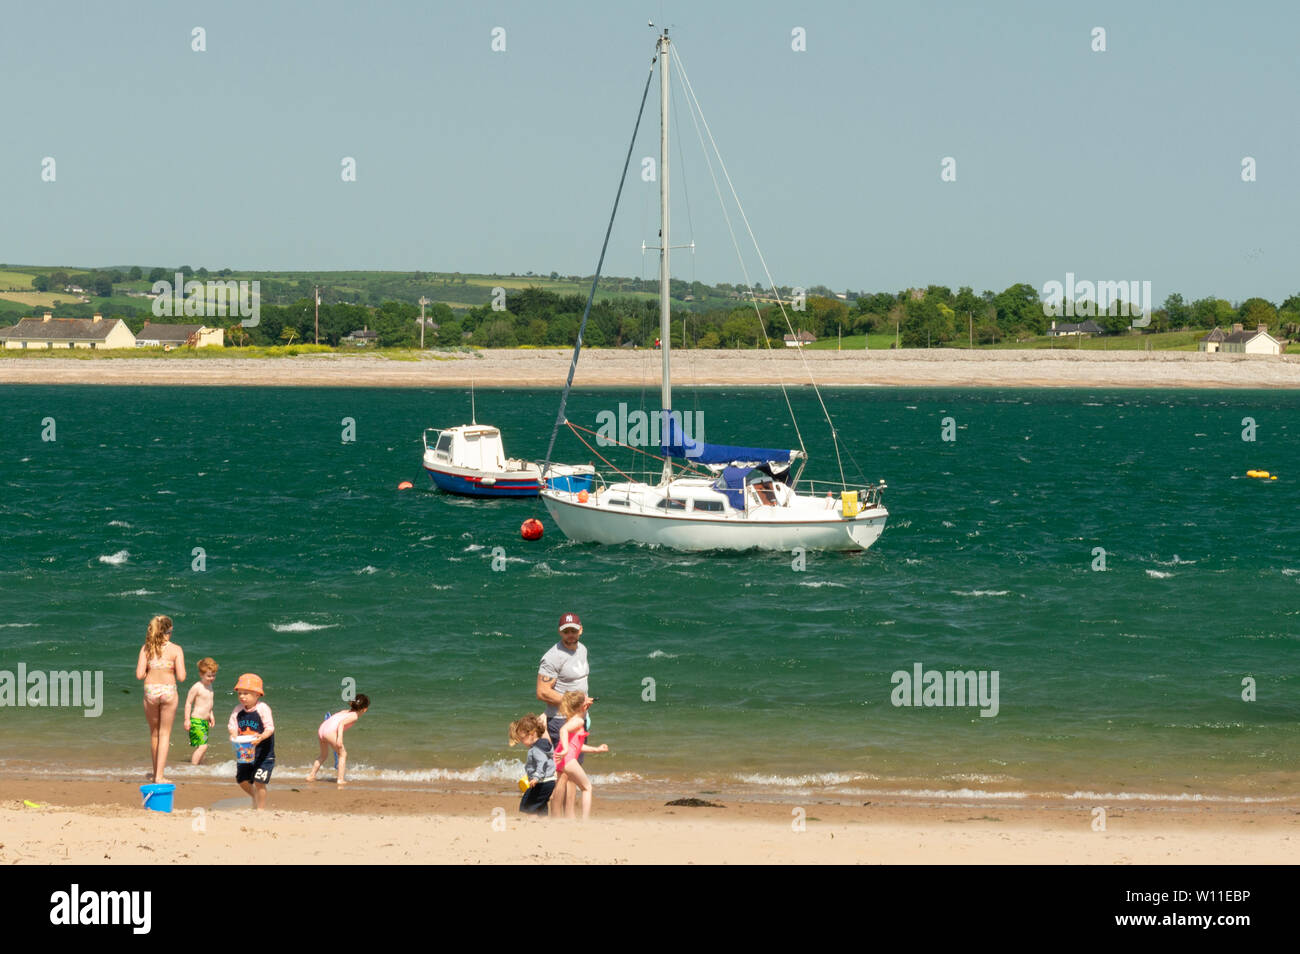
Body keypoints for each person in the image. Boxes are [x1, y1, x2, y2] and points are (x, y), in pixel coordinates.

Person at [537, 611, 594, 818]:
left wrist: (582, 709)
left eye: (573, 630)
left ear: (581, 630)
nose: (570, 635)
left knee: (574, 773)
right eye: (566, 631)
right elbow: (542, 692)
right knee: (562, 774)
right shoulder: (552, 657)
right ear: (560, 633)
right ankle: (556, 818)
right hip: (561, 722)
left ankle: (569, 819)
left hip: (580, 721)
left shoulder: (583, 649)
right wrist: (574, 703)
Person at [135, 615, 186, 784]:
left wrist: (152, 668)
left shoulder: (146, 649)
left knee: (154, 734)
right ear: (168, 631)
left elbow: (139, 675)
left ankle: (156, 772)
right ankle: (159, 776)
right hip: (169, 691)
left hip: (151, 691)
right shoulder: (176, 650)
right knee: (165, 734)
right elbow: (182, 677)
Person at [552, 691, 608, 820]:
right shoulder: (578, 721)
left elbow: (577, 746)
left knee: (561, 786)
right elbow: (563, 730)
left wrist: (596, 750)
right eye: (585, 700)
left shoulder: (574, 719)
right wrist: (565, 749)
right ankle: (585, 820)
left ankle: (556, 819)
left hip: (561, 759)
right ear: (582, 707)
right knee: (587, 787)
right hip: (567, 759)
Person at [228, 673, 274, 809]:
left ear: (257, 694)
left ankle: (260, 809)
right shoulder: (237, 710)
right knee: (242, 780)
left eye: (246, 693)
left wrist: (261, 737)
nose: (242, 696)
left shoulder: (262, 709)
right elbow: (232, 726)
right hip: (245, 753)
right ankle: (254, 796)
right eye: (240, 693)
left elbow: (270, 727)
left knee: (260, 781)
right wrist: (233, 734)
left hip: (264, 754)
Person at [308, 695, 369, 786]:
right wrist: (339, 738)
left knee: (323, 755)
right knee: (343, 754)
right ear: (365, 709)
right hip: (330, 732)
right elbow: (341, 724)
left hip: (322, 729)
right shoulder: (354, 716)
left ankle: (311, 776)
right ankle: (340, 779)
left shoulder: (345, 711)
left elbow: (334, 719)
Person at [508, 713, 555, 816]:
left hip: (541, 782)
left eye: (523, 738)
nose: (522, 741)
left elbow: (542, 762)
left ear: (532, 734)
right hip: (549, 781)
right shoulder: (545, 744)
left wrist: (536, 777)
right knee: (541, 805)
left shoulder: (536, 749)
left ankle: (532, 823)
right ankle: (543, 822)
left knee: (527, 804)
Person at [184, 657, 219, 765]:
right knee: (203, 746)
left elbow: (209, 703)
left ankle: (199, 765)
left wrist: (211, 715)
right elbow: (188, 703)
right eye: (209, 676)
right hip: (196, 721)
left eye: (213, 675)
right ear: (201, 674)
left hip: (204, 722)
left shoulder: (210, 686)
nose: (211, 678)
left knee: (202, 746)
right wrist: (187, 720)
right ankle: (193, 767)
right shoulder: (197, 687)